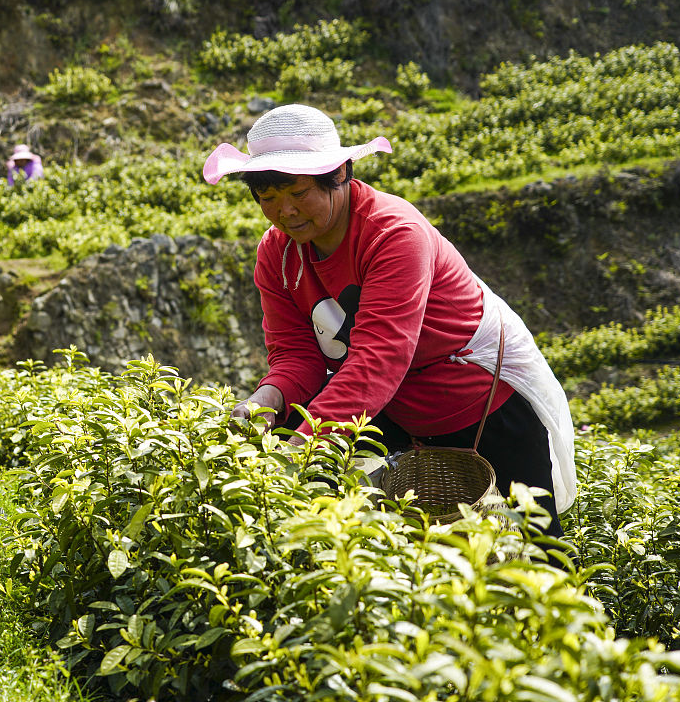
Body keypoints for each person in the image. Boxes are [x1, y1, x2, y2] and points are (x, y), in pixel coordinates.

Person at [203, 104, 575, 539]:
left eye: (298, 193)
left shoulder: (393, 234)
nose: (284, 211)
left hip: (482, 406)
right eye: (267, 197)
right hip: (393, 408)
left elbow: (377, 362)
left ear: (340, 174)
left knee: (537, 553)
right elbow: (297, 356)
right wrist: (261, 403)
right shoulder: (277, 253)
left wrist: (298, 455)